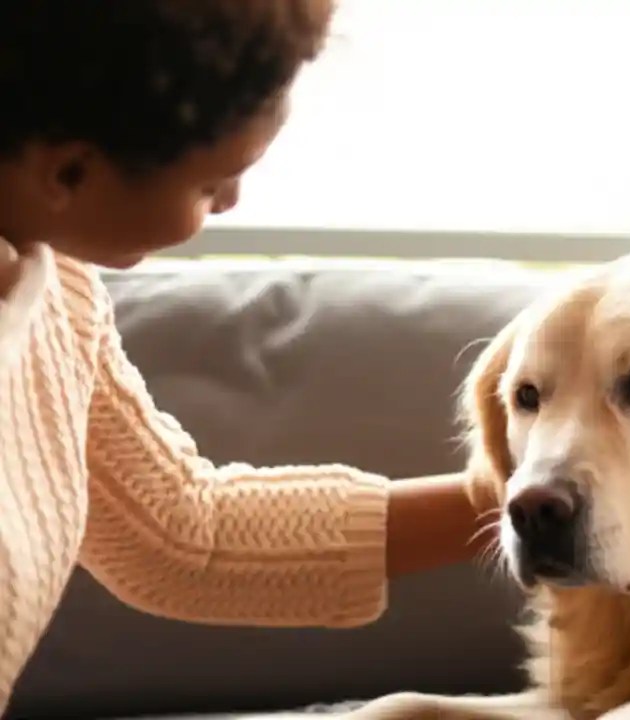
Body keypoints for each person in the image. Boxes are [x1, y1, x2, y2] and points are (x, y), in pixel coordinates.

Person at [0, 1, 492, 712]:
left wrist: (522, 503)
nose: (231, 201)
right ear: (68, 171)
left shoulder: (56, 295)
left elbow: (185, 537)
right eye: (211, 183)